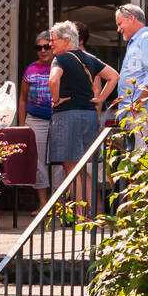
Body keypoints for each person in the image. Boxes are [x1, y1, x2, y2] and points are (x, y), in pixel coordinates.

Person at [47, 21, 118, 210]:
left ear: (67, 40)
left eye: (53, 40)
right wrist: (100, 98)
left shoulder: (61, 59)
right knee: (84, 167)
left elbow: (53, 79)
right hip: (88, 116)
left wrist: (55, 100)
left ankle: (80, 215)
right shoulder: (90, 58)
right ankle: (95, 214)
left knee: (71, 168)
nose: (50, 44)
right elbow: (114, 76)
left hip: (67, 115)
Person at [113, 3, 148, 153]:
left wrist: (138, 103)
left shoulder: (146, 38)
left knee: (144, 160)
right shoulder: (137, 41)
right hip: (136, 113)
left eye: (120, 23)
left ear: (131, 18)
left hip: (142, 113)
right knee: (137, 162)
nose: (118, 29)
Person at [18, 31, 57, 206]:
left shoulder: (60, 66)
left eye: (47, 46)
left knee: (59, 160)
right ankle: (43, 202)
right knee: (38, 162)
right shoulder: (31, 69)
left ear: (53, 47)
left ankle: (58, 202)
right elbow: (22, 99)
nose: (43, 50)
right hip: (35, 120)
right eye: (39, 47)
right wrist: (21, 125)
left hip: (58, 119)